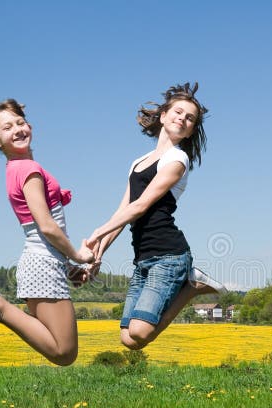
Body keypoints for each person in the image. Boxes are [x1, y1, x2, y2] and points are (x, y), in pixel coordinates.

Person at [86, 82, 225, 350]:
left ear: (191, 129)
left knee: (139, 331)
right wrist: (98, 253)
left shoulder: (177, 160)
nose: (182, 119)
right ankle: (193, 284)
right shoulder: (138, 162)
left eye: (190, 118)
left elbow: (140, 207)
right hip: (143, 258)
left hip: (169, 256)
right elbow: (123, 211)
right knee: (129, 340)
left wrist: (95, 233)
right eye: (178, 112)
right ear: (163, 116)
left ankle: (193, 287)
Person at [0, 99, 95, 366]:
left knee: (63, 351)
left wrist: (67, 265)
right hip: (42, 264)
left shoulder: (15, 169)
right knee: (64, 351)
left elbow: (41, 230)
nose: (17, 129)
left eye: (20, 122)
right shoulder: (28, 170)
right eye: (6, 128)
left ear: (30, 126)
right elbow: (46, 225)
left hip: (43, 263)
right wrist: (78, 255)